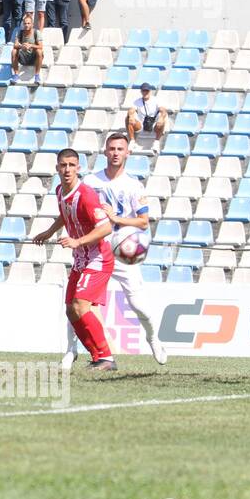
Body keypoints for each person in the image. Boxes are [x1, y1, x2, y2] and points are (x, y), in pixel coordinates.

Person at [82, 133, 166, 367]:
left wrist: (115, 218)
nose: (116, 152)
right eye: (112, 148)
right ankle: (79, 352)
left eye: (120, 149)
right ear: (105, 152)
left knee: (138, 304)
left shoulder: (133, 185)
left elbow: (143, 221)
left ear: (127, 153)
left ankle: (153, 338)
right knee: (79, 302)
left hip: (122, 251)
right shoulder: (90, 182)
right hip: (96, 250)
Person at [31, 148, 116, 371]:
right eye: (63, 165)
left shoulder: (86, 195)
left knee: (80, 304)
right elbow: (65, 214)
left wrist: (78, 241)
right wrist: (49, 231)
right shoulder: (60, 191)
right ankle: (98, 356)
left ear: (78, 168)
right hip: (81, 260)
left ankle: (106, 357)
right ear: (57, 168)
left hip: (98, 259)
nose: (67, 169)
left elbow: (106, 227)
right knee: (70, 309)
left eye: (71, 165)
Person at [11, 12, 43, 84]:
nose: (26, 25)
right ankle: (16, 75)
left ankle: (37, 75)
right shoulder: (20, 32)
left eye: (28, 23)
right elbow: (15, 45)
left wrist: (31, 46)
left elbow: (41, 46)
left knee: (39, 51)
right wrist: (22, 46)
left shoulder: (36, 32)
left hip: (33, 57)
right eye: (25, 23)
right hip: (23, 57)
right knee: (14, 51)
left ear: (32, 24)